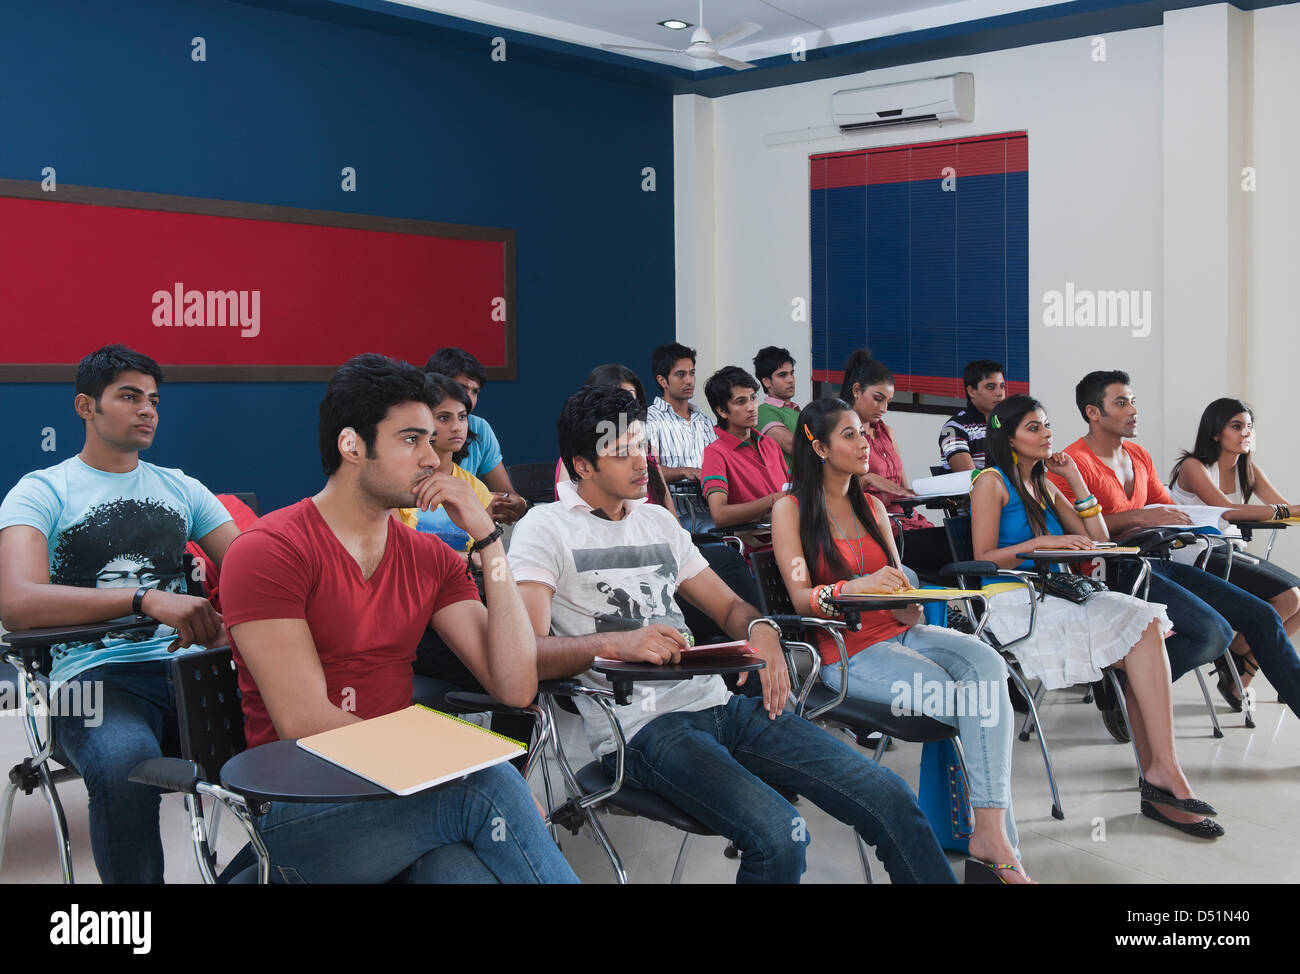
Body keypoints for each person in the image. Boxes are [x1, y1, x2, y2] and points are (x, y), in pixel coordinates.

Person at [507, 384, 958, 884]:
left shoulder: (656, 520)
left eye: (641, 446)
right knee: (780, 834)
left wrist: (760, 627)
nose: (641, 462)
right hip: (642, 730)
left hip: (718, 703)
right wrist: (611, 644)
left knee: (889, 794)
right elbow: (526, 655)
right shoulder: (543, 529)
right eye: (621, 453)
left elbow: (728, 606)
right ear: (582, 465)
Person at [219, 354, 578, 883]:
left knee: (460, 872)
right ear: (352, 445)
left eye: (432, 440)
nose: (433, 458)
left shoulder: (428, 557)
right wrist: (457, 761)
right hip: (301, 804)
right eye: (411, 440)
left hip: (401, 797)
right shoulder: (269, 551)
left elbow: (515, 685)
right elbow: (304, 721)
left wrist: (490, 544)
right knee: (489, 782)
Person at [0, 345, 239, 883]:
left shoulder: (183, 488)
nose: (147, 410)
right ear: (86, 406)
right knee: (124, 762)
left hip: (189, 669)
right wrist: (143, 598)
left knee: (296, 733)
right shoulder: (40, 491)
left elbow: (255, 572)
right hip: (92, 682)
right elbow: (16, 603)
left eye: (153, 399)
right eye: (129, 397)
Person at [771, 398, 1029, 882]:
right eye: (850, 435)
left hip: (903, 630)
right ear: (820, 447)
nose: (864, 441)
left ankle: (988, 835)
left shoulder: (871, 505)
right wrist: (856, 587)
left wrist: (906, 592)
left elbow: (897, 584)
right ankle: (995, 845)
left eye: (863, 433)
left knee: (990, 669)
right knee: (972, 704)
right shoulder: (792, 509)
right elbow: (801, 597)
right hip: (848, 652)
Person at [972, 394, 1221, 838]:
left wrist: (1074, 480)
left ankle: (1164, 772)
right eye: (1034, 428)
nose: (1047, 433)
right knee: (1137, 638)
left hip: (1056, 593)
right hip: (1013, 600)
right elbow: (983, 558)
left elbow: (1099, 536)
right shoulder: (990, 482)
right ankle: (1162, 782)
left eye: (1046, 425)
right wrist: (1037, 545)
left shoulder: (1045, 482)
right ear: (1007, 438)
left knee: (1145, 624)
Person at [1049, 371, 1300, 722]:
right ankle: (1127, 690)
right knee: (1213, 633)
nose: (1133, 410)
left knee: (1262, 615)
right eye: (1121, 403)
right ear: (1093, 412)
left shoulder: (1139, 455)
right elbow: (1075, 534)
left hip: (1159, 559)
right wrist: (1139, 517)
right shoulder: (1071, 465)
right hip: (1113, 568)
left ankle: (1126, 684)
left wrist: (1187, 520)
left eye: (1133, 401)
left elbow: (1172, 512)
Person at [840, 349, 951, 572]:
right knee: (952, 549)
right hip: (875, 527)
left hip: (906, 521)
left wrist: (932, 494)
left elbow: (901, 489)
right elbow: (835, 498)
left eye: (888, 402)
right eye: (878, 399)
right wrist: (868, 479)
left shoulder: (886, 432)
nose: (883, 409)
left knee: (957, 540)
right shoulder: (842, 434)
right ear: (857, 390)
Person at [424, 347, 528, 524]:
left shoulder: (480, 430)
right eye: (461, 388)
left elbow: (507, 495)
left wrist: (518, 504)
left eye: (475, 392)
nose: (469, 399)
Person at [554, 364, 674, 515]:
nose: (641, 463)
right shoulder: (580, 456)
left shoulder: (657, 517)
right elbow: (570, 514)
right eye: (622, 453)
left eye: (630, 396)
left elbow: (667, 508)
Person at [397, 372, 493, 555]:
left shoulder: (476, 488)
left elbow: (489, 555)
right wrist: (465, 558)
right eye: (444, 417)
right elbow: (397, 553)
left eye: (462, 416)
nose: (457, 427)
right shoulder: (397, 483)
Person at [701, 366, 788, 530]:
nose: (751, 407)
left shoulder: (770, 444)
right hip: (756, 546)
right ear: (722, 411)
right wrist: (772, 500)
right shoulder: (715, 453)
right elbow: (719, 515)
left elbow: (790, 491)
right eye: (741, 402)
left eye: (753, 398)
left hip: (790, 534)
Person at [644, 342, 717, 484]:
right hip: (669, 502)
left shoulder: (706, 421)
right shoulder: (649, 419)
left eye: (692, 373)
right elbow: (647, 470)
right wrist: (684, 472)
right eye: (681, 375)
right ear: (663, 381)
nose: (689, 380)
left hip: (709, 500)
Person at [939, 360, 1007, 472]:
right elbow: (971, 479)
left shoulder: (1005, 423)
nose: (1000, 393)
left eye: (1002, 386)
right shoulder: (954, 428)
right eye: (991, 387)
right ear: (971, 391)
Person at [753, 346, 800, 465]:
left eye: (791, 373)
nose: (791, 380)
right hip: (787, 483)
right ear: (766, 381)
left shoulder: (797, 411)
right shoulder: (763, 412)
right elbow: (794, 445)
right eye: (782, 375)